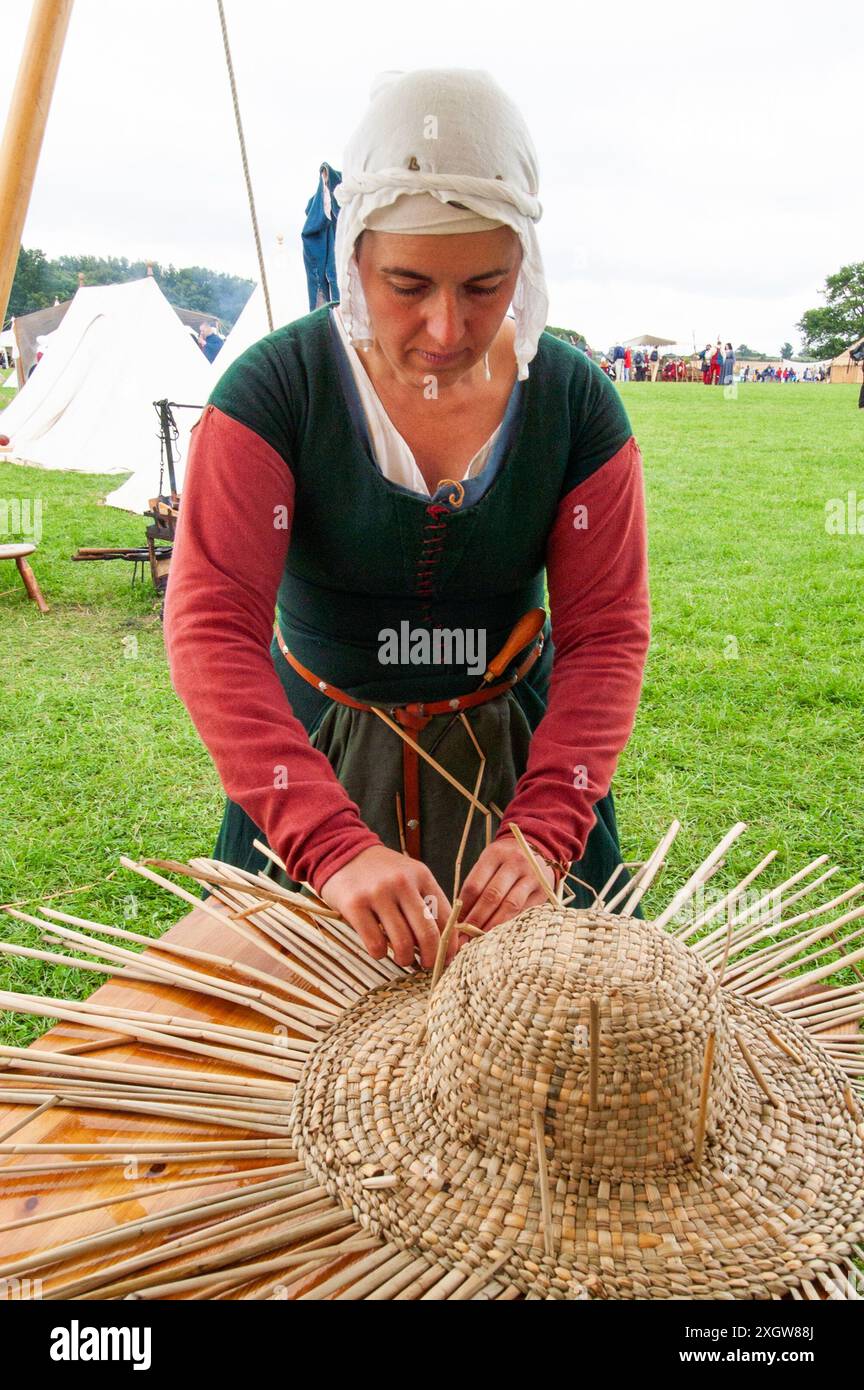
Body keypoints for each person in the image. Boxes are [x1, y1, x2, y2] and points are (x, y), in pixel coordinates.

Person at [163, 69, 651, 971]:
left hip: (518, 769)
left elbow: (607, 633)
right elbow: (212, 629)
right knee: (299, 1078)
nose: (444, 328)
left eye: (484, 285)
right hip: (319, 762)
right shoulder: (274, 394)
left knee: (550, 1071)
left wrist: (547, 828)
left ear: (524, 264)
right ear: (354, 257)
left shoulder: (576, 405)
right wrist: (329, 844)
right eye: (407, 282)